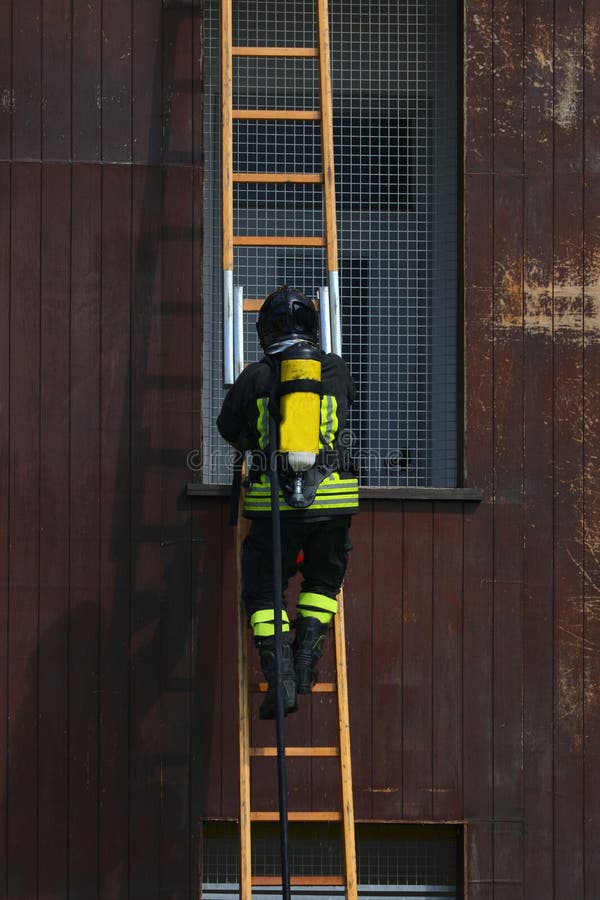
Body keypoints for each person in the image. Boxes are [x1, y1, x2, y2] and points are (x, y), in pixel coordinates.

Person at [217, 285, 359, 719]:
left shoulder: (256, 375)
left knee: (264, 589)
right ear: (314, 327)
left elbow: (227, 426)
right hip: (334, 501)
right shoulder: (336, 370)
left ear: (265, 331)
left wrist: (255, 445)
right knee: (322, 581)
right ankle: (304, 662)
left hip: (273, 506)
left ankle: (279, 679)